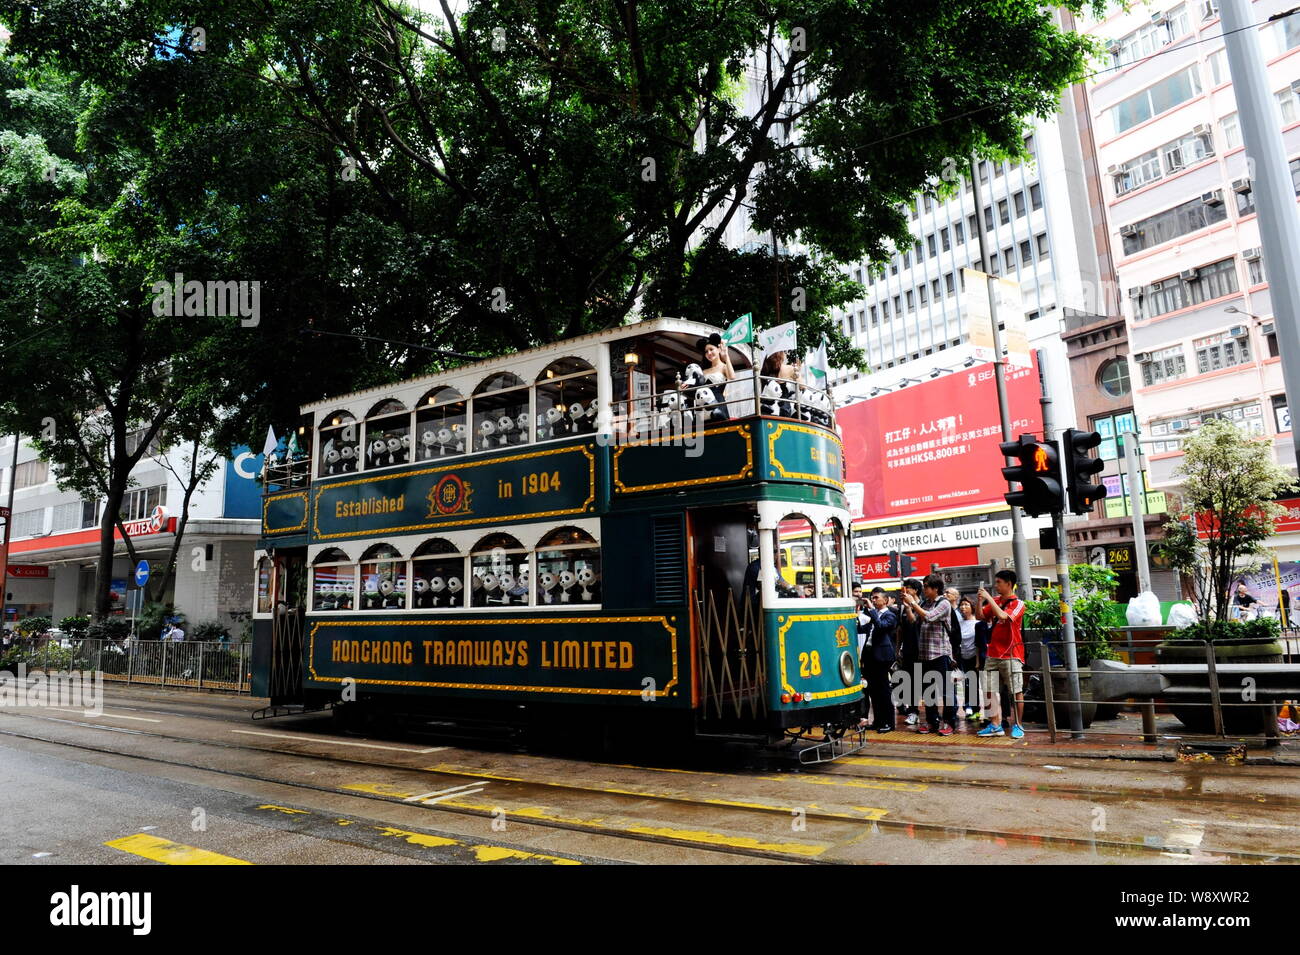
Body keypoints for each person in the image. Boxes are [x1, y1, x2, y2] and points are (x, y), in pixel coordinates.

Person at [901, 574, 957, 735]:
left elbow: (929, 617)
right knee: (929, 691)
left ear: (936, 588)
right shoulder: (925, 603)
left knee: (946, 691)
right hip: (924, 654)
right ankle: (932, 722)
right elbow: (913, 620)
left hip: (940, 654)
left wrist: (913, 603)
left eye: (926, 587)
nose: (924, 589)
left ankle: (949, 722)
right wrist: (907, 607)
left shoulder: (944, 603)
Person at [977, 569, 1026, 739]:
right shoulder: (996, 600)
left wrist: (988, 598)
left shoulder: (1018, 603)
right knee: (988, 690)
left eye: (999, 582)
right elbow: (981, 616)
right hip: (993, 653)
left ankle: (1018, 725)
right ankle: (995, 724)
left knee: (1016, 691)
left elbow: (1003, 616)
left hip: (1012, 654)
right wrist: (979, 601)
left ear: (1009, 584)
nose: (996, 585)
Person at [860, 587, 898, 733]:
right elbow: (863, 629)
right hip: (870, 656)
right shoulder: (873, 616)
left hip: (882, 657)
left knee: (883, 691)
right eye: (872, 598)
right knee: (873, 691)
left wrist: (873, 612)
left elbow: (882, 627)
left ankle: (889, 722)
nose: (873, 600)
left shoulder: (890, 614)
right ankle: (878, 721)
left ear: (885, 600)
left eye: (876, 598)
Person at [895, 579, 923, 725]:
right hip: (908, 650)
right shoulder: (902, 608)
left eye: (908, 589)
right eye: (903, 589)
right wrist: (898, 648)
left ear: (916, 591)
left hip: (923, 650)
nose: (904, 592)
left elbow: (914, 621)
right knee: (910, 681)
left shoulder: (923, 605)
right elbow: (900, 629)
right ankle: (913, 711)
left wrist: (909, 607)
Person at [956, 597, 987, 722]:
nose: (963, 607)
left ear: (972, 607)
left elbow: (980, 643)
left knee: (980, 684)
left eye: (966, 605)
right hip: (963, 657)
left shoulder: (977, 623)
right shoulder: (959, 624)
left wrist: (978, 661)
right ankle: (970, 707)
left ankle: (978, 710)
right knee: (968, 683)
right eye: (962, 605)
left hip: (976, 657)